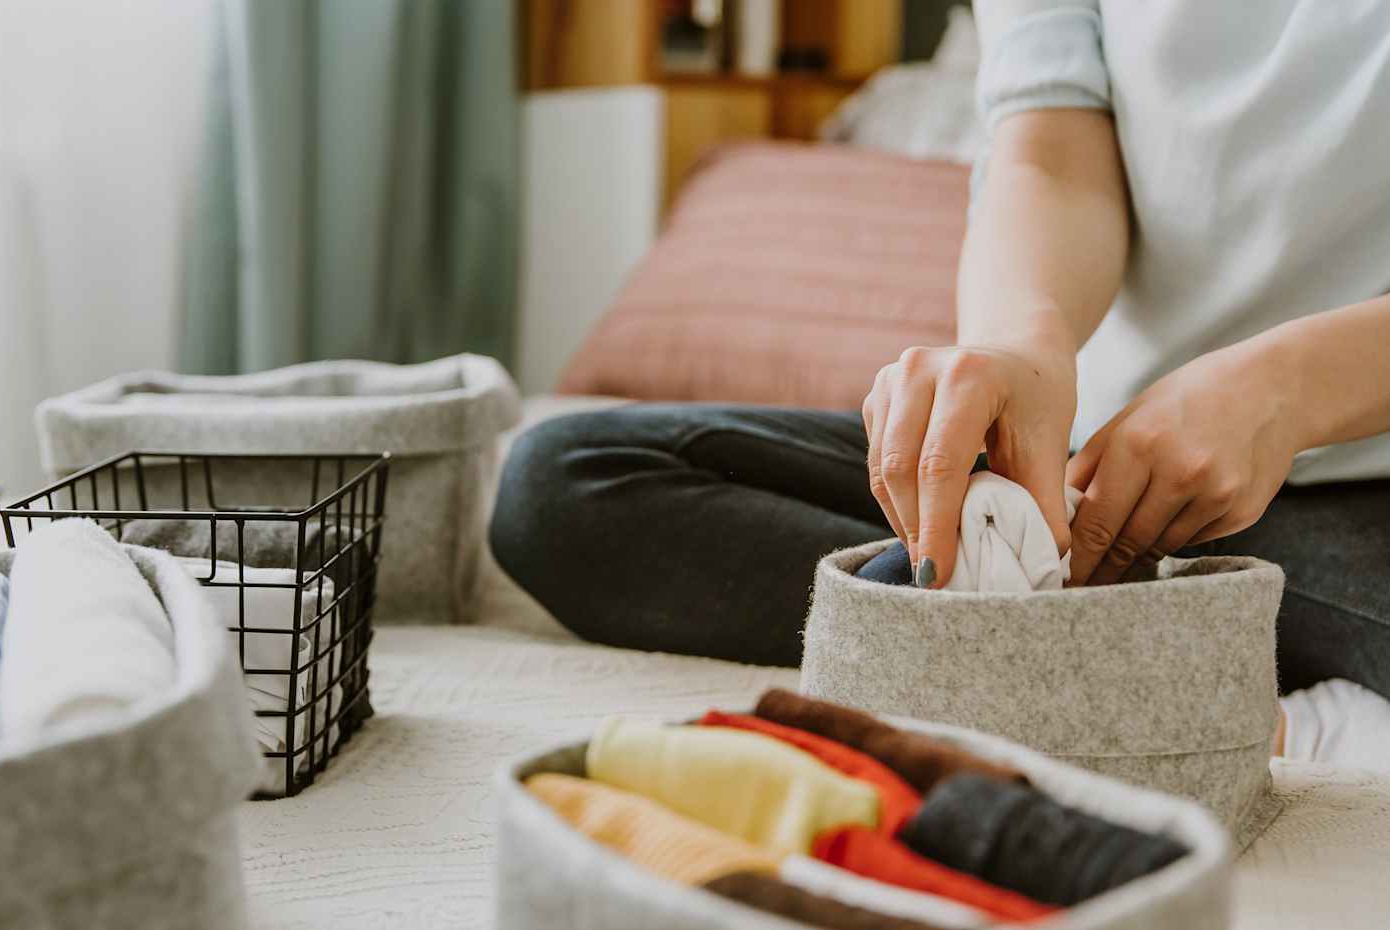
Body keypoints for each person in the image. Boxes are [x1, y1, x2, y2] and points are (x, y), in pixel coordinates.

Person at [490, 0, 1390, 699]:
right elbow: (1050, 153)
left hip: (1361, 481)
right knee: (562, 483)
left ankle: (1023, 653)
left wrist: (1291, 386)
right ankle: (1136, 667)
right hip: (1090, 475)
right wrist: (1019, 346)